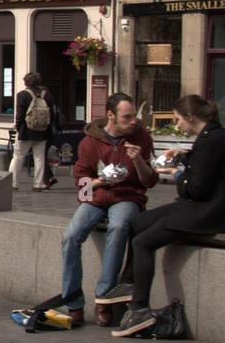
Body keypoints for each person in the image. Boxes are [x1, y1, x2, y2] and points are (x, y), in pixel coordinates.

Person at [115, 95, 225, 337]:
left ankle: (139, 309)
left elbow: (197, 189)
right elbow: (204, 168)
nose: (178, 124)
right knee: (137, 222)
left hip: (213, 212)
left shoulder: (210, 141)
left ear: (191, 117)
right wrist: (183, 157)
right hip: (212, 205)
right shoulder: (214, 135)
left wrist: (177, 176)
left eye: (178, 119)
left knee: (143, 243)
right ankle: (129, 283)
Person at [60, 93, 159, 328]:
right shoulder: (89, 142)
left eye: (134, 116)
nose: (133, 121)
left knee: (119, 226)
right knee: (71, 236)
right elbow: (81, 185)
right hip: (96, 197)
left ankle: (104, 297)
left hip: (127, 196)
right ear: (110, 116)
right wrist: (99, 181)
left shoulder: (141, 138)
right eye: (127, 117)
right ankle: (73, 302)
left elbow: (149, 182)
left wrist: (138, 162)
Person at [9, 72, 52, 191]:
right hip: (42, 132)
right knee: (39, 158)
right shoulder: (46, 95)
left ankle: (13, 183)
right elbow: (51, 113)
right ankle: (37, 185)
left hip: (25, 131)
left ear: (26, 82)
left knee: (18, 157)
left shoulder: (22, 95)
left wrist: (18, 127)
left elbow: (20, 114)